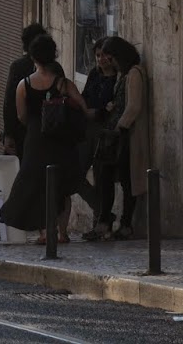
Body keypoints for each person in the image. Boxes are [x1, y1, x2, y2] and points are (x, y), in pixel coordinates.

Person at [0, 34, 86, 244]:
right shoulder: (63, 84)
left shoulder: (24, 85)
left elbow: (21, 115)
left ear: (33, 58)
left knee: (37, 185)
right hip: (61, 140)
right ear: (53, 55)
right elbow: (82, 106)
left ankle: (45, 232)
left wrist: (36, 123)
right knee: (62, 187)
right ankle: (62, 232)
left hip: (36, 139)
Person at [95, 36, 149, 240]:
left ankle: (126, 223)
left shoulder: (134, 74)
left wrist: (120, 126)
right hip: (117, 134)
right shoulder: (123, 75)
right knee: (107, 176)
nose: (111, 63)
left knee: (127, 180)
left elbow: (134, 105)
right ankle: (106, 219)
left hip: (126, 135)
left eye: (112, 58)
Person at [76, 38, 119, 229]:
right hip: (87, 128)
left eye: (104, 55)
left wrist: (100, 109)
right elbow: (86, 97)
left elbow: (114, 105)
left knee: (102, 177)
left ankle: (99, 222)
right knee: (77, 174)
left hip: (106, 131)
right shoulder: (94, 74)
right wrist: (94, 108)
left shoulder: (118, 78)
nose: (101, 59)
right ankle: (103, 212)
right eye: (98, 55)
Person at [1, 22, 46, 158]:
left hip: (24, 132)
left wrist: (8, 133)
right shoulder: (55, 70)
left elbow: (9, 102)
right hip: (47, 132)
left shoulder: (18, 67)